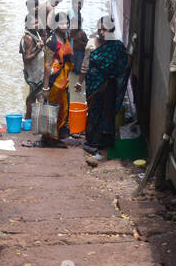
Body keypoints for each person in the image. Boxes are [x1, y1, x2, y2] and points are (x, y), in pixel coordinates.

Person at [83, 15, 129, 157]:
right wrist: (80, 82)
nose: (102, 32)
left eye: (105, 29)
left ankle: (105, 139)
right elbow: (85, 66)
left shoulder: (117, 46)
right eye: (100, 29)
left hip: (109, 85)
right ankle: (92, 140)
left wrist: (112, 75)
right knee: (94, 111)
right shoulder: (92, 43)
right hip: (93, 84)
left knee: (108, 112)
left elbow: (124, 65)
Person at [44, 11, 75, 141]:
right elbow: (47, 65)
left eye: (67, 23)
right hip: (53, 82)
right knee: (52, 109)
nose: (65, 25)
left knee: (63, 108)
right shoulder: (51, 41)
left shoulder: (66, 37)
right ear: (56, 24)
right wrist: (45, 88)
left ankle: (59, 134)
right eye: (62, 23)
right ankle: (50, 137)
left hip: (64, 81)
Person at [20, 13, 45, 120]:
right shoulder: (29, 38)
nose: (37, 25)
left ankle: (29, 118)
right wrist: (38, 50)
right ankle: (33, 120)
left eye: (37, 22)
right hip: (35, 73)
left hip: (35, 71)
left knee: (33, 94)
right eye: (34, 23)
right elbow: (27, 57)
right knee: (37, 96)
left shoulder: (33, 34)